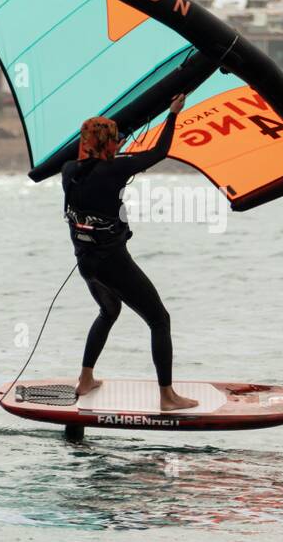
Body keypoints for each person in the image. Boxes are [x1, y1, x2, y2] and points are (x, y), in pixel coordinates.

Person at [62, 93, 197, 411]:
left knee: (109, 311)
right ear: (109, 143)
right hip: (111, 262)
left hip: (86, 263)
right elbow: (160, 151)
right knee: (159, 320)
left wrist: (110, 147)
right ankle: (167, 397)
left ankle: (85, 379)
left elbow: (92, 165)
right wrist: (173, 113)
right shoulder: (115, 170)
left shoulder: (69, 170)